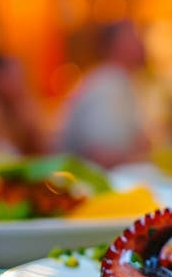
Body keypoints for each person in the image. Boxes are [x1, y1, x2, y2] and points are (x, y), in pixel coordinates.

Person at [60, 21, 149, 168]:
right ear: (116, 45)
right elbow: (101, 156)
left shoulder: (122, 82)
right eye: (134, 37)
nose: (141, 42)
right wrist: (145, 158)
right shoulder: (105, 86)